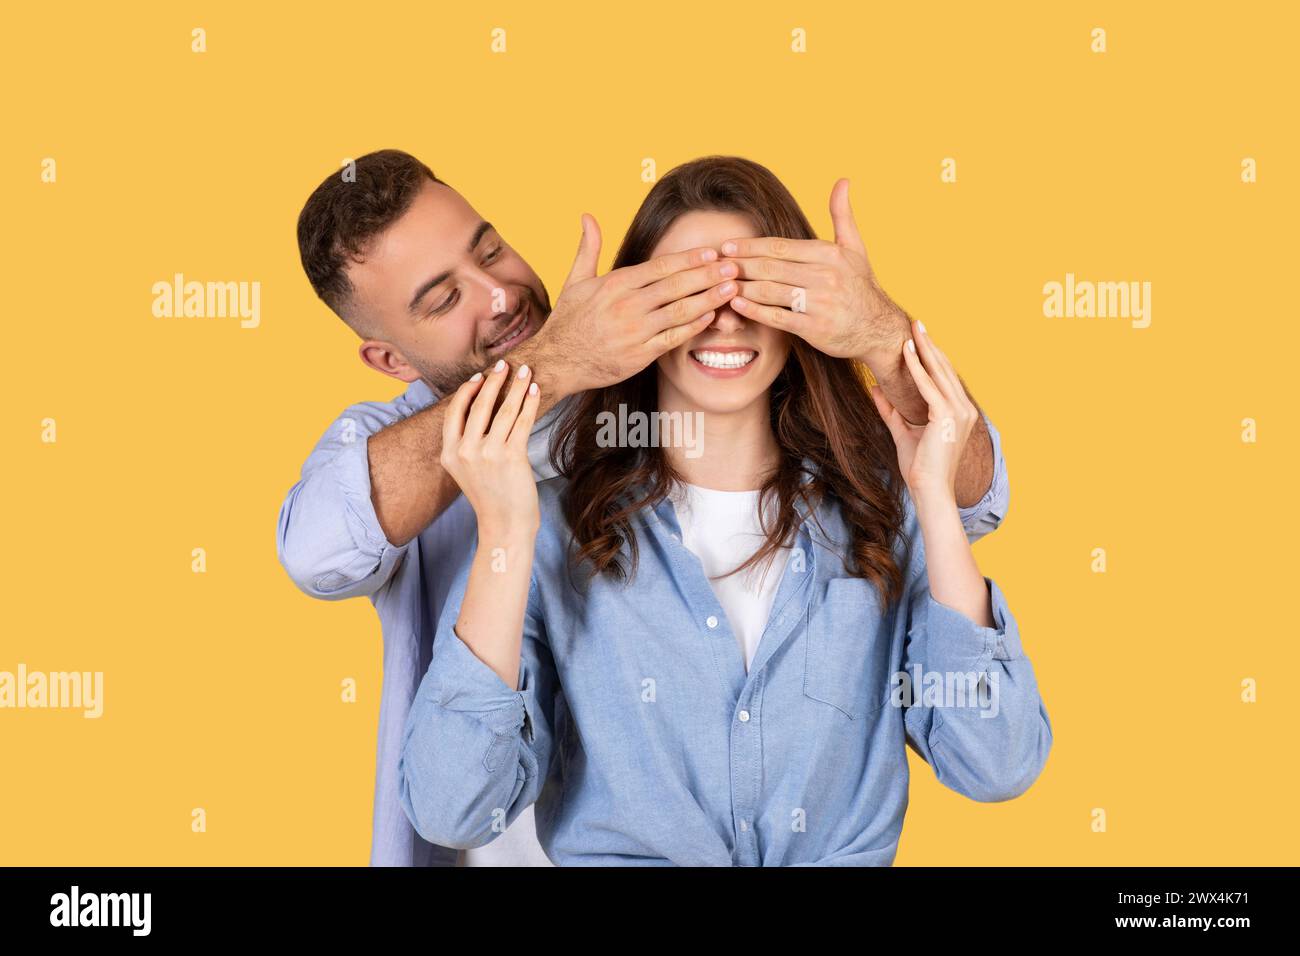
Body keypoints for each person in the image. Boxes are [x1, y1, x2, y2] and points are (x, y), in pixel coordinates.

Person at [279, 150, 1010, 865]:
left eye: (490, 250)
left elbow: (970, 492)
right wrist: (555, 365)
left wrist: (880, 333)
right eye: (443, 299)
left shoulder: (649, 392)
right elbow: (316, 551)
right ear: (391, 359)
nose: (499, 295)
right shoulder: (404, 441)